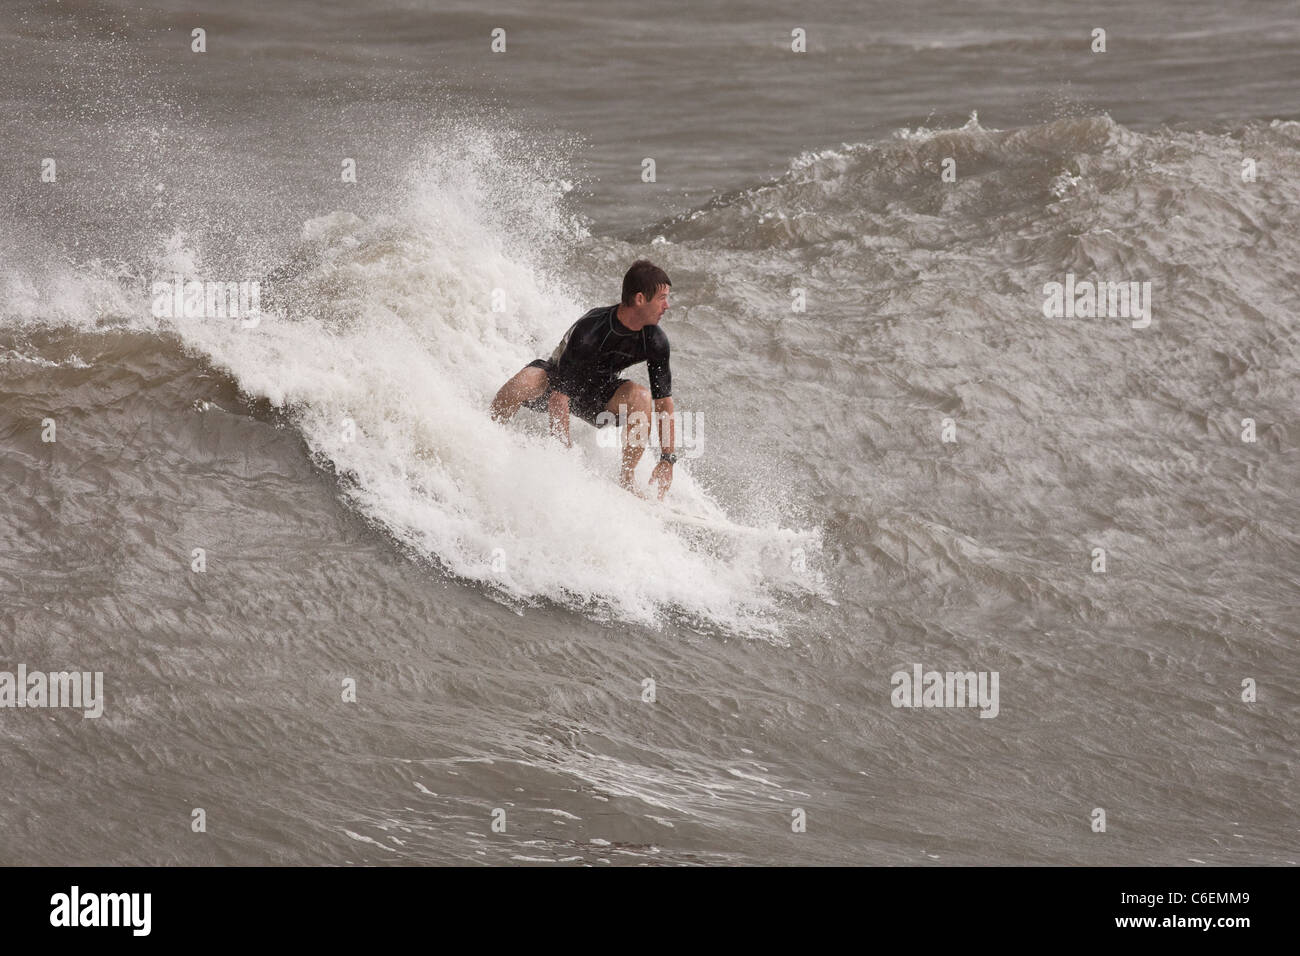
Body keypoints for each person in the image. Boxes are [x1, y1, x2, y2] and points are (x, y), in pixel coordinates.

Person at [490, 260, 678, 499]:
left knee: (641, 397)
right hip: (555, 384)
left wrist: (667, 459)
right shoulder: (591, 330)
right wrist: (565, 464)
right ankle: (490, 433)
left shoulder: (654, 340)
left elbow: (664, 403)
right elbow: (559, 399)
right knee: (523, 381)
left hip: (598, 397)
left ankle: (627, 481)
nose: (667, 305)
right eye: (662, 298)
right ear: (640, 299)